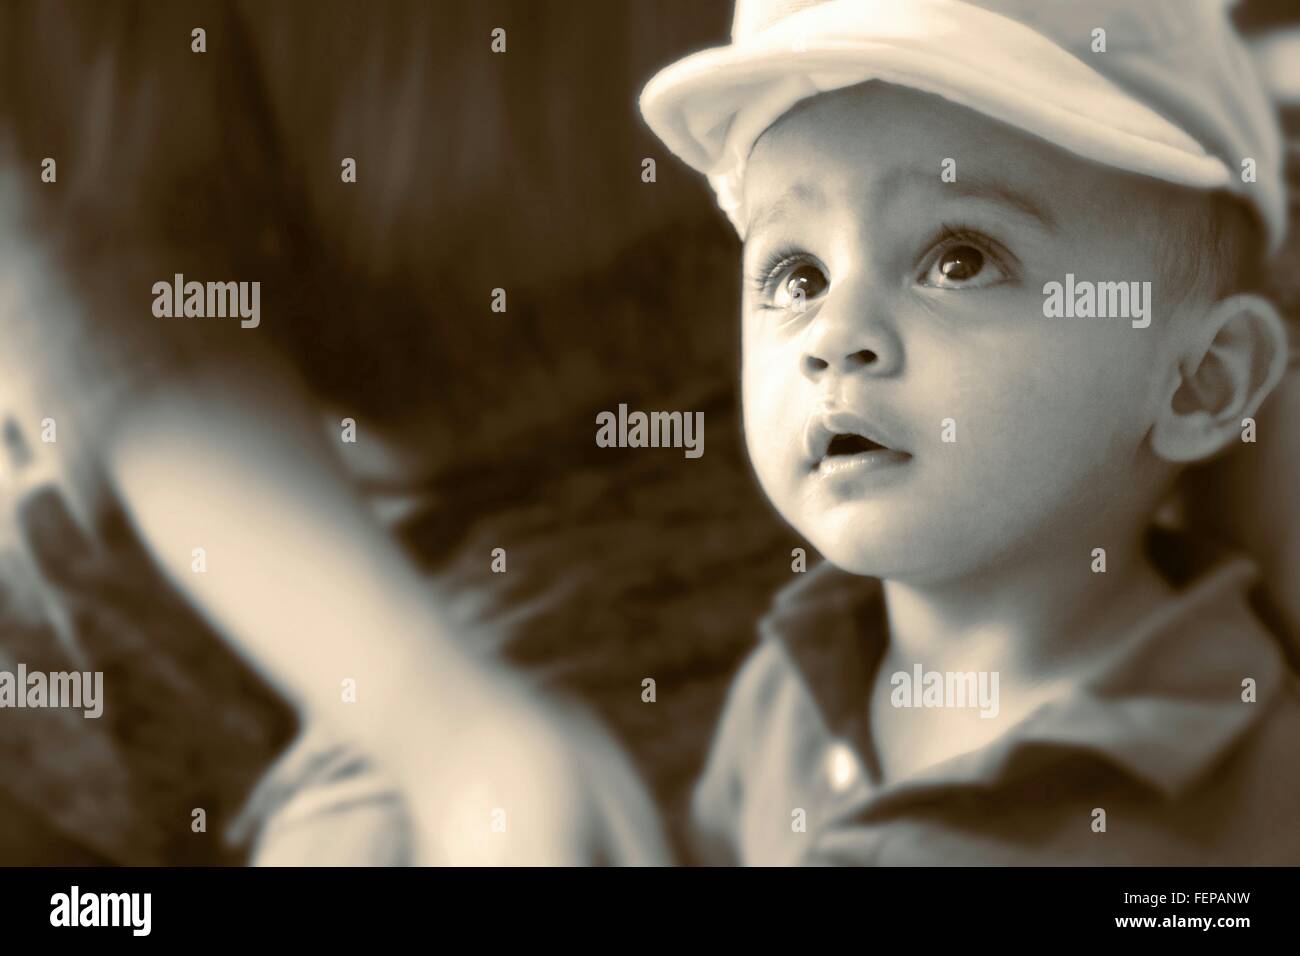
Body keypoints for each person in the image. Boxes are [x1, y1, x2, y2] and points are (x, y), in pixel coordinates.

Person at [634, 0, 1300, 864]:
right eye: (797, 275)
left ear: (1201, 381)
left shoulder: (1243, 773)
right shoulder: (786, 686)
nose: (835, 334)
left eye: (960, 261)